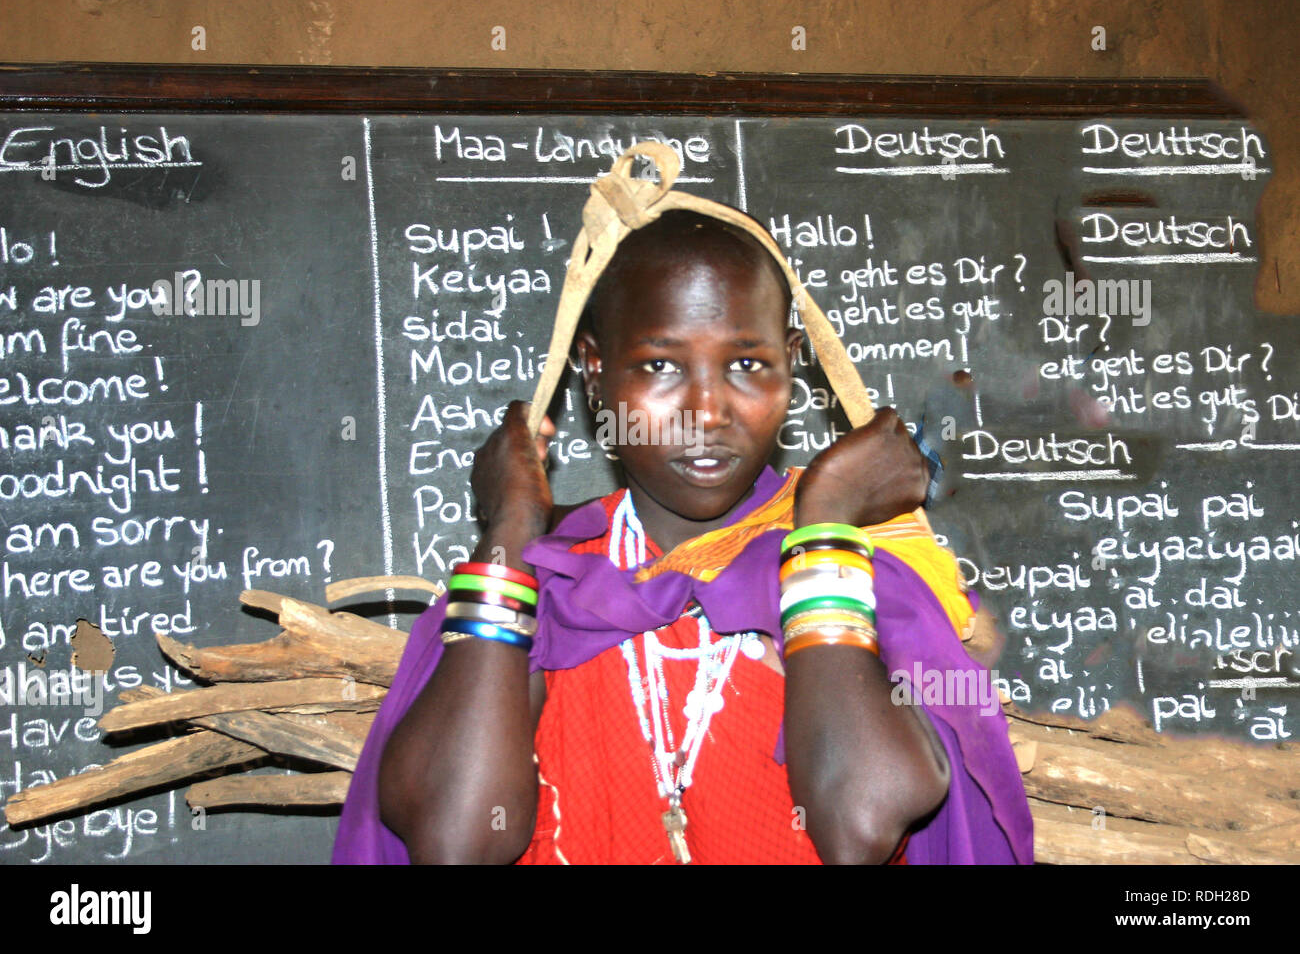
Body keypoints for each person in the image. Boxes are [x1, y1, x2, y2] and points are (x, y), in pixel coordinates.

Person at [333, 209, 1033, 865]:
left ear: (793, 363)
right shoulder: (551, 581)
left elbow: (860, 823)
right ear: (595, 369)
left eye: (747, 364)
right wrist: (512, 532)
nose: (708, 410)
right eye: (662, 365)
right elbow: (455, 840)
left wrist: (821, 527)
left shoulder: (864, 570)